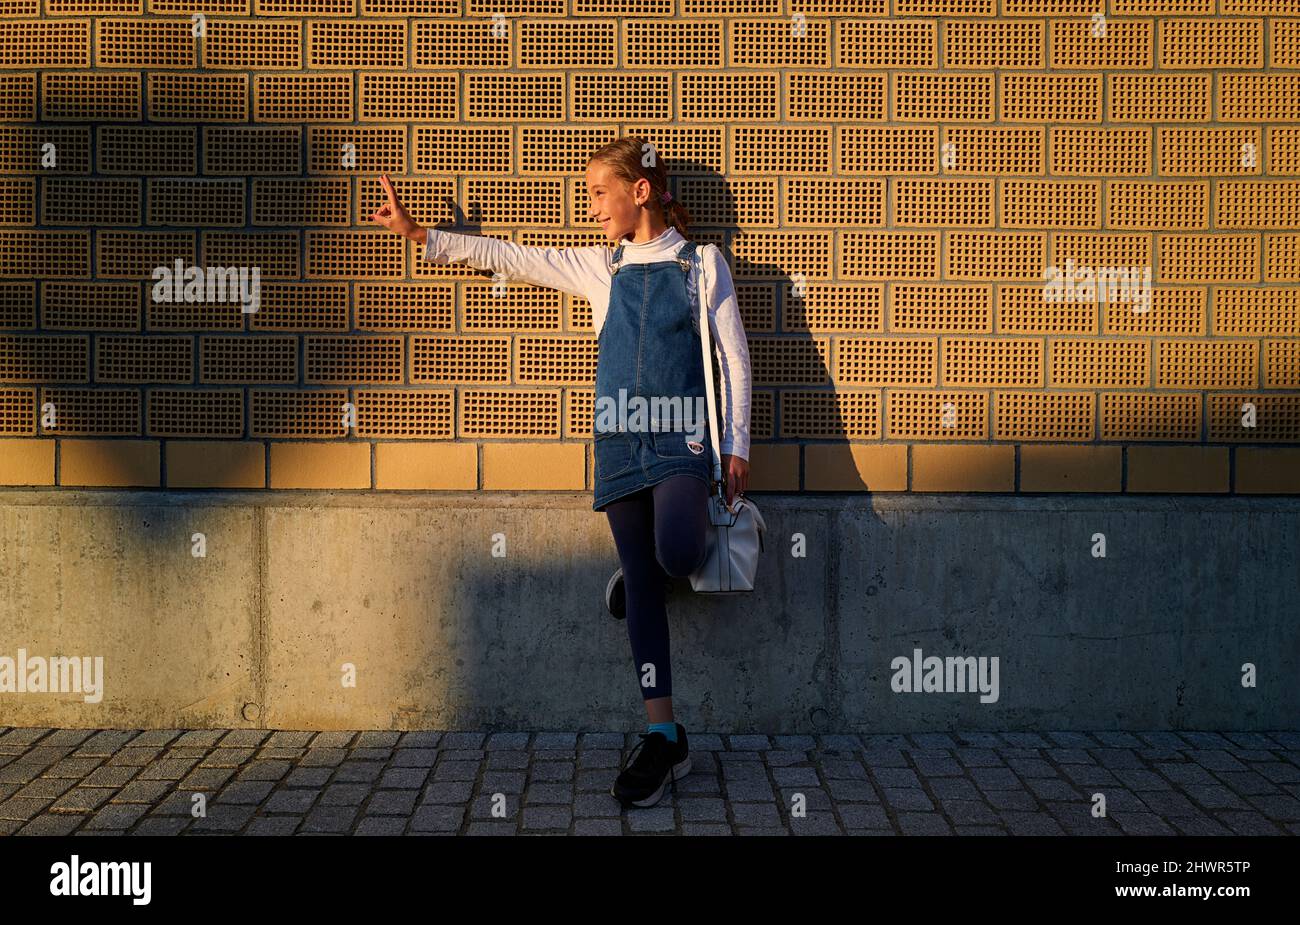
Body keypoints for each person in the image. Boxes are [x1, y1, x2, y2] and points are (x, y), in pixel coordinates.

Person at [371, 136, 752, 809]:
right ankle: (663, 736)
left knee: (681, 551)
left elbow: (735, 360)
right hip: (618, 445)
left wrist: (736, 448)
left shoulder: (703, 264)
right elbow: (514, 257)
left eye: (600, 192)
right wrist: (421, 234)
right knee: (641, 576)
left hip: (683, 443)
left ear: (641, 191)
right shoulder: (600, 267)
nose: (592, 206)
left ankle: (642, 581)